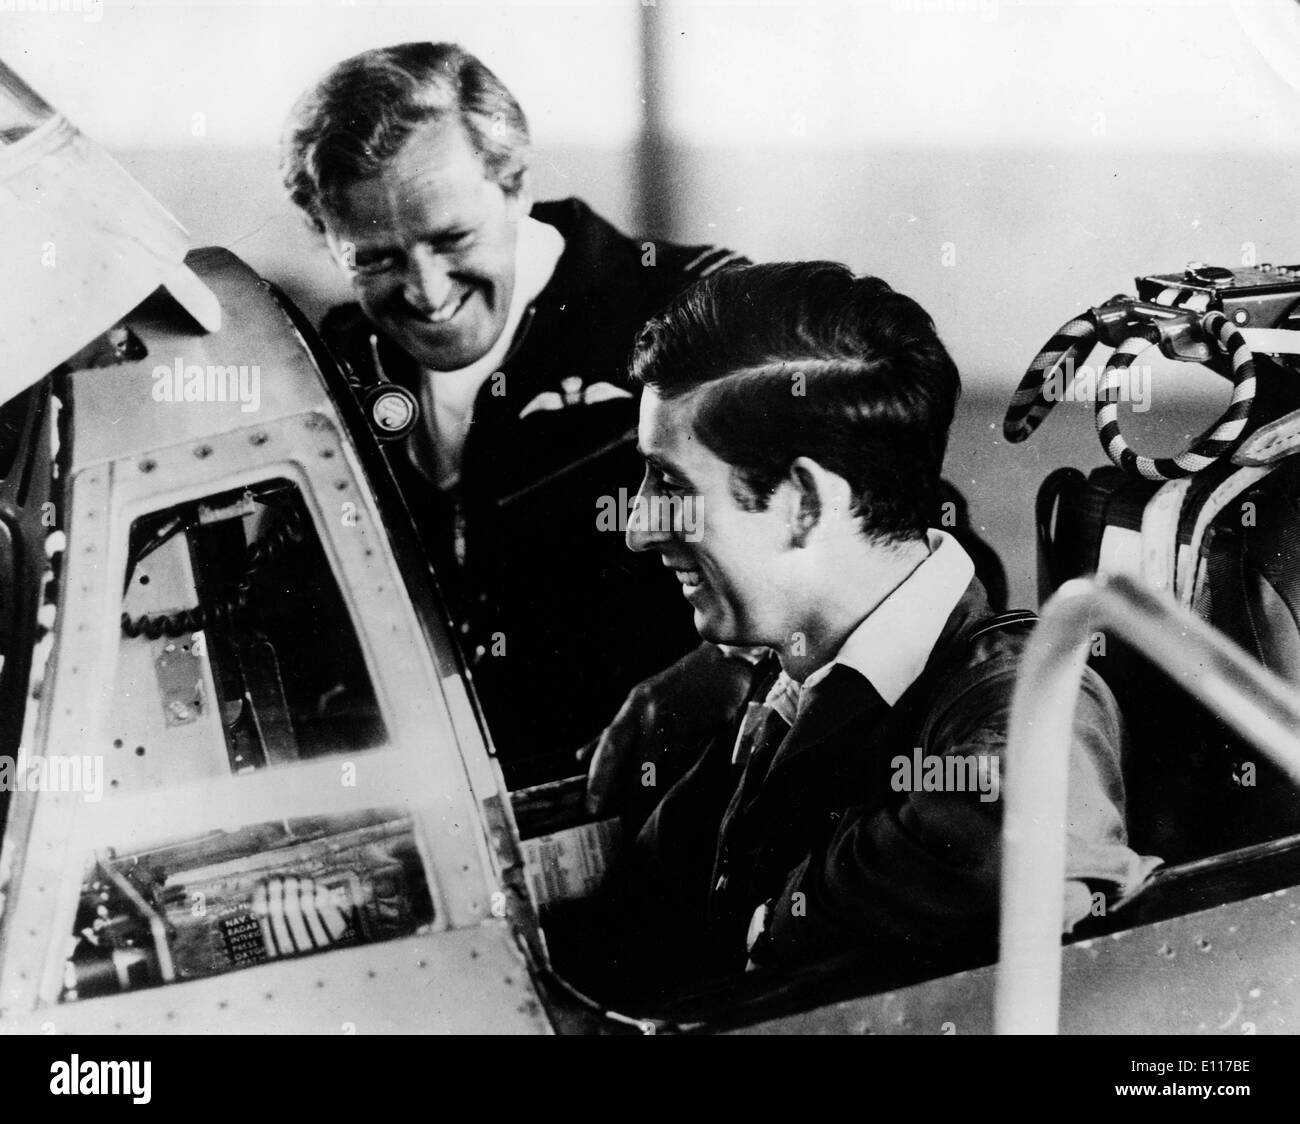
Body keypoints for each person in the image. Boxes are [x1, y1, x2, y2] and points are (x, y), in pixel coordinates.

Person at [603, 261, 1157, 994]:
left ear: (804, 502)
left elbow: (1020, 845)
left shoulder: (1023, 691)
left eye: (671, 486)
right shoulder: (787, 675)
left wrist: (769, 923)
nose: (639, 527)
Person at [281, 43, 747, 783]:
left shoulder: (700, 314)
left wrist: (736, 668)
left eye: (452, 238)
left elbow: (911, 549)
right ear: (328, 242)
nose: (427, 293)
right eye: (376, 259)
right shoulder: (325, 372)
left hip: (690, 824)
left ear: (517, 184)